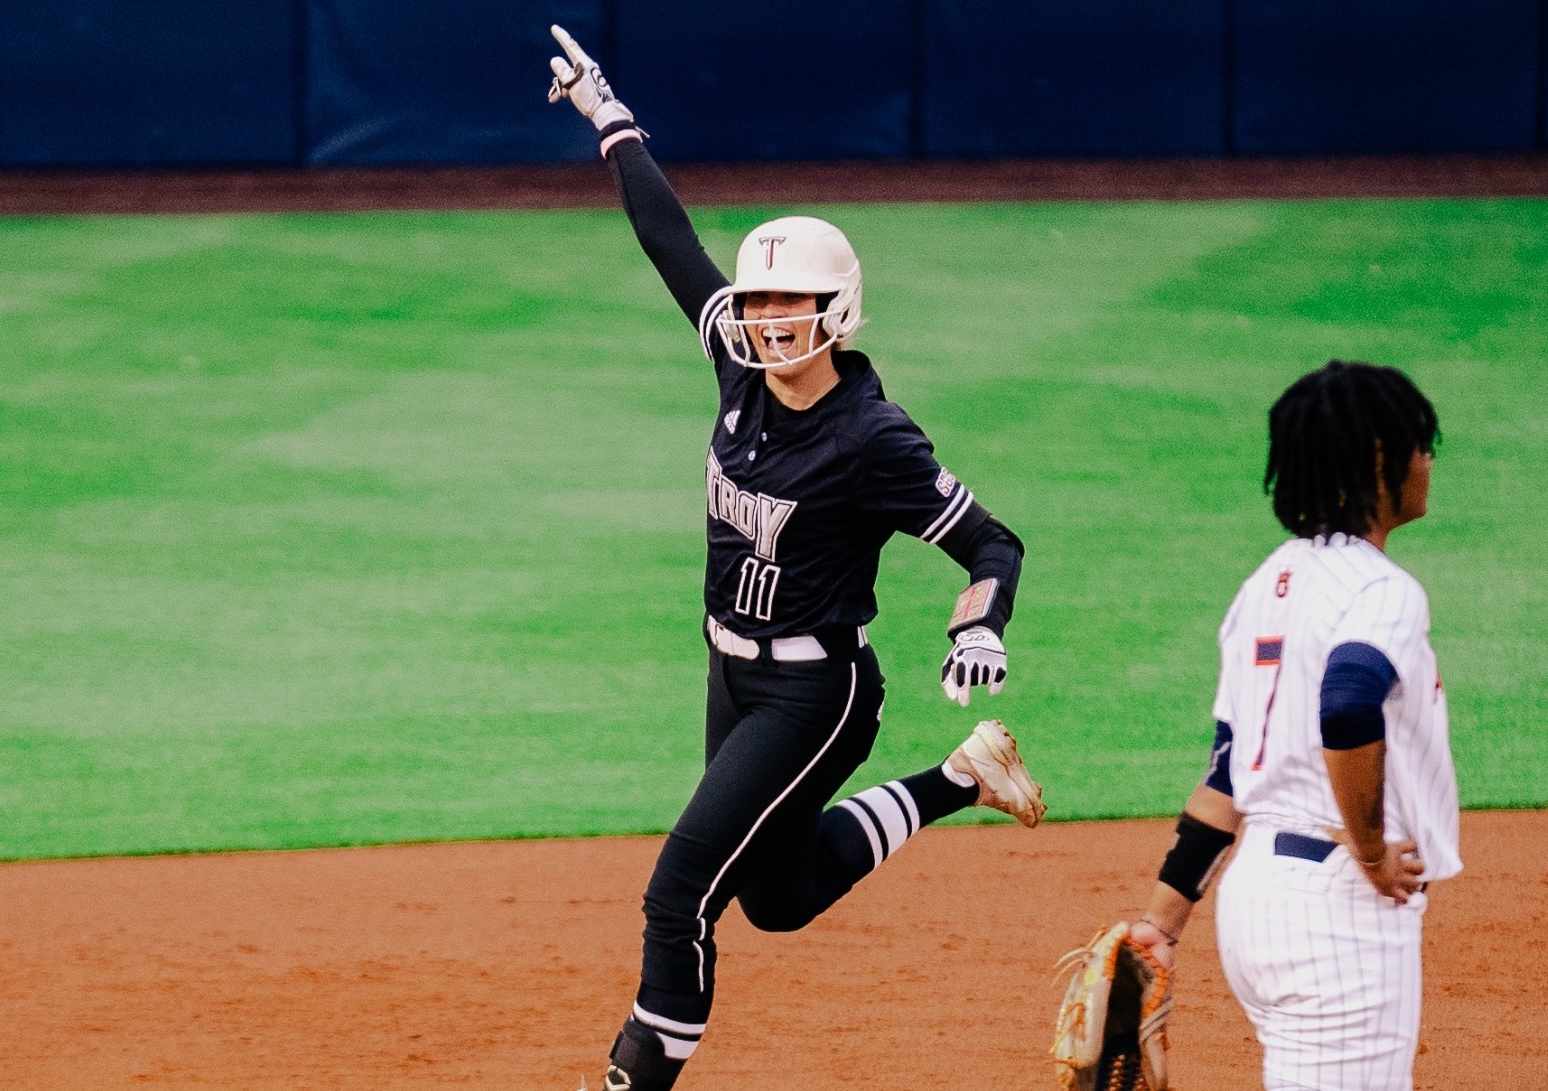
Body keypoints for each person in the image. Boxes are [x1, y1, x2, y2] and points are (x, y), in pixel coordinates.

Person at [545, 26, 1047, 1091]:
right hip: (729, 672)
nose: (769, 321)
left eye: (791, 304)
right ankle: (961, 775)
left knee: (679, 892)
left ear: (836, 311)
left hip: (814, 691)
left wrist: (979, 623)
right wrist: (608, 119)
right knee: (773, 895)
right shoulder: (737, 367)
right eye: (760, 301)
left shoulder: (873, 438)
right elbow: (671, 244)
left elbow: (989, 540)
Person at [1124, 360, 1460, 1091]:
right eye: (1419, 443)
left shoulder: (1265, 584)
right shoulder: (1382, 590)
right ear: (1378, 458)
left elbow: (1226, 772)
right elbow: (1347, 701)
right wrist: (1371, 851)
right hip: (1339, 913)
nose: (1429, 460)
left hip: (1258, 905)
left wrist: (1162, 921)